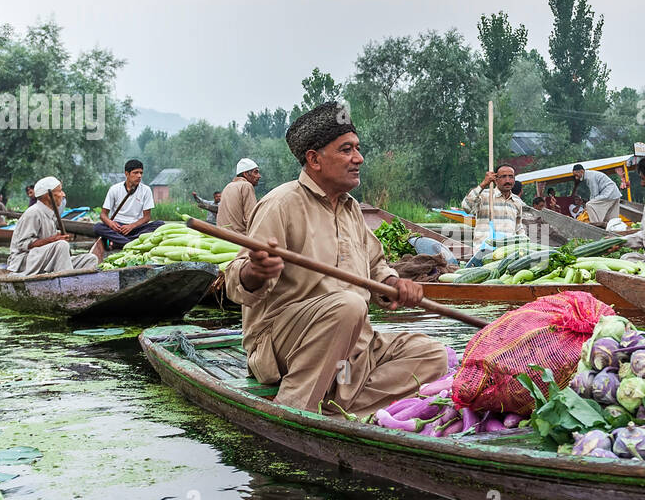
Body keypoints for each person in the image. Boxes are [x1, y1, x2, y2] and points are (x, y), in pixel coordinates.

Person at [225, 102, 449, 414]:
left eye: (357, 149)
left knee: (433, 356)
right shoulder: (281, 204)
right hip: (286, 348)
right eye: (346, 150)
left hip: (353, 348)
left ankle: (338, 403)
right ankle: (295, 409)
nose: (358, 158)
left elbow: (376, 267)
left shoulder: (352, 209)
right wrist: (255, 272)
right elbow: (235, 282)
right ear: (314, 159)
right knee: (348, 305)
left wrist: (393, 283)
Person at [7, 176, 99, 274]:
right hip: (25, 262)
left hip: (44, 259)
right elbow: (22, 245)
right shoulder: (33, 213)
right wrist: (53, 240)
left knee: (90, 259)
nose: (63, 194)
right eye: (59, 191)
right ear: (48, 196)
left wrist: (56, 240)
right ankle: (66, 283)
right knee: (61, 245)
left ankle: (72, 280)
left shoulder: (51, 214)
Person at [96, 159, 164, 249]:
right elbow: (103, 215)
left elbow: (147, 217)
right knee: (97, 227)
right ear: (127, 174)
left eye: (141, 173)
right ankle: (131, 243)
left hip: (136, 227)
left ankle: (120, 242)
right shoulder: (114, 189)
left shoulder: (146, 190)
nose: (139, 176)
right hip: (118, 228)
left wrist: (131, 226)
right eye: (135, 173)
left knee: (159, 224)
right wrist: (110, 223)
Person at [461, 163, 527, 240]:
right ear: (496, 179)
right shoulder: (484, 195)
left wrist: (524, 239)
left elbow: (518, 227)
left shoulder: (517, 201)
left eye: (511, 177)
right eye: (503, 176)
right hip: (486, 249)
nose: (508, 180)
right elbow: (466, 207)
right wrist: (483, 184)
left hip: (508, 249)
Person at [218, 158, 261, 234]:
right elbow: (250, 218)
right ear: (245, 174)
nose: (259, 176)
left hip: (222, 236)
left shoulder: (228, 186)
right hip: (238, 239)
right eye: (256, 172)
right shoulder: (246, 186)